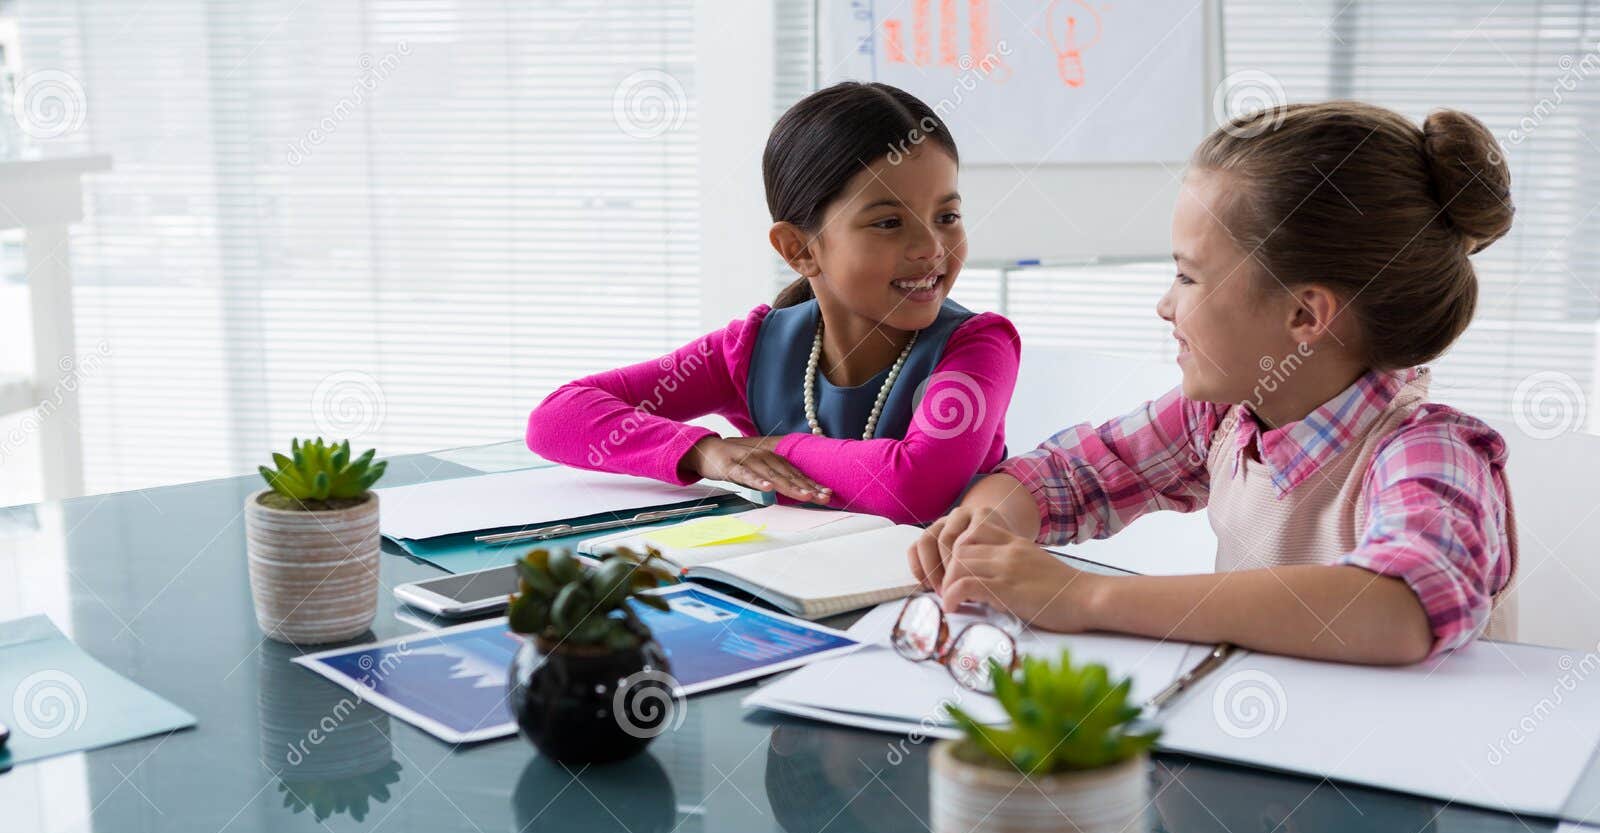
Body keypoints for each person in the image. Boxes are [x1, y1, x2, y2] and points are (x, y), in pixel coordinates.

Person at [911, 102, 1518, 663]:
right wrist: (986, 529)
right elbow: (1064, 478)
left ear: (1304, 316)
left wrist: (1085, 598)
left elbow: (1401, 607)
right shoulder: (1224, 416)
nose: (1164, 304)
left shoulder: (1429, 451)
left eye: (1188, 277)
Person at [527, 81, 1020, 525]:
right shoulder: (751, 350)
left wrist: (765, 450)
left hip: (948, 609)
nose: (931, 247)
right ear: (798, 249)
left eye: (947, 216)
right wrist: (703, 451)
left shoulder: (979, 346)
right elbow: (557, 417)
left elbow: (914, 488)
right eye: (889, 222)